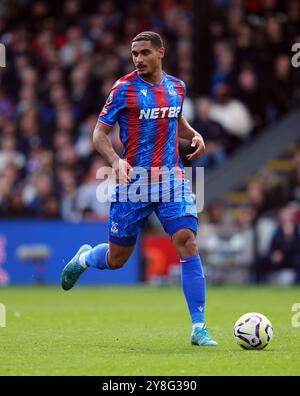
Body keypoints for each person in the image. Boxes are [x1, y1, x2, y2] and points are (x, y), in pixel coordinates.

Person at [61, 31, 217, 347]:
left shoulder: (177, 87)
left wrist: (193, 134)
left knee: (186, 241)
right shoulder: (123, 89)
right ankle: (86, 259)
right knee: (118, 258)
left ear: (161, 52)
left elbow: (175, 118)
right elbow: (98, 135)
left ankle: (199, 328)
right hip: (133, 182)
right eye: (135, 54)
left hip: (171, 178)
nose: (139, 59)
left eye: (145, 52)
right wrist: (115, 162)